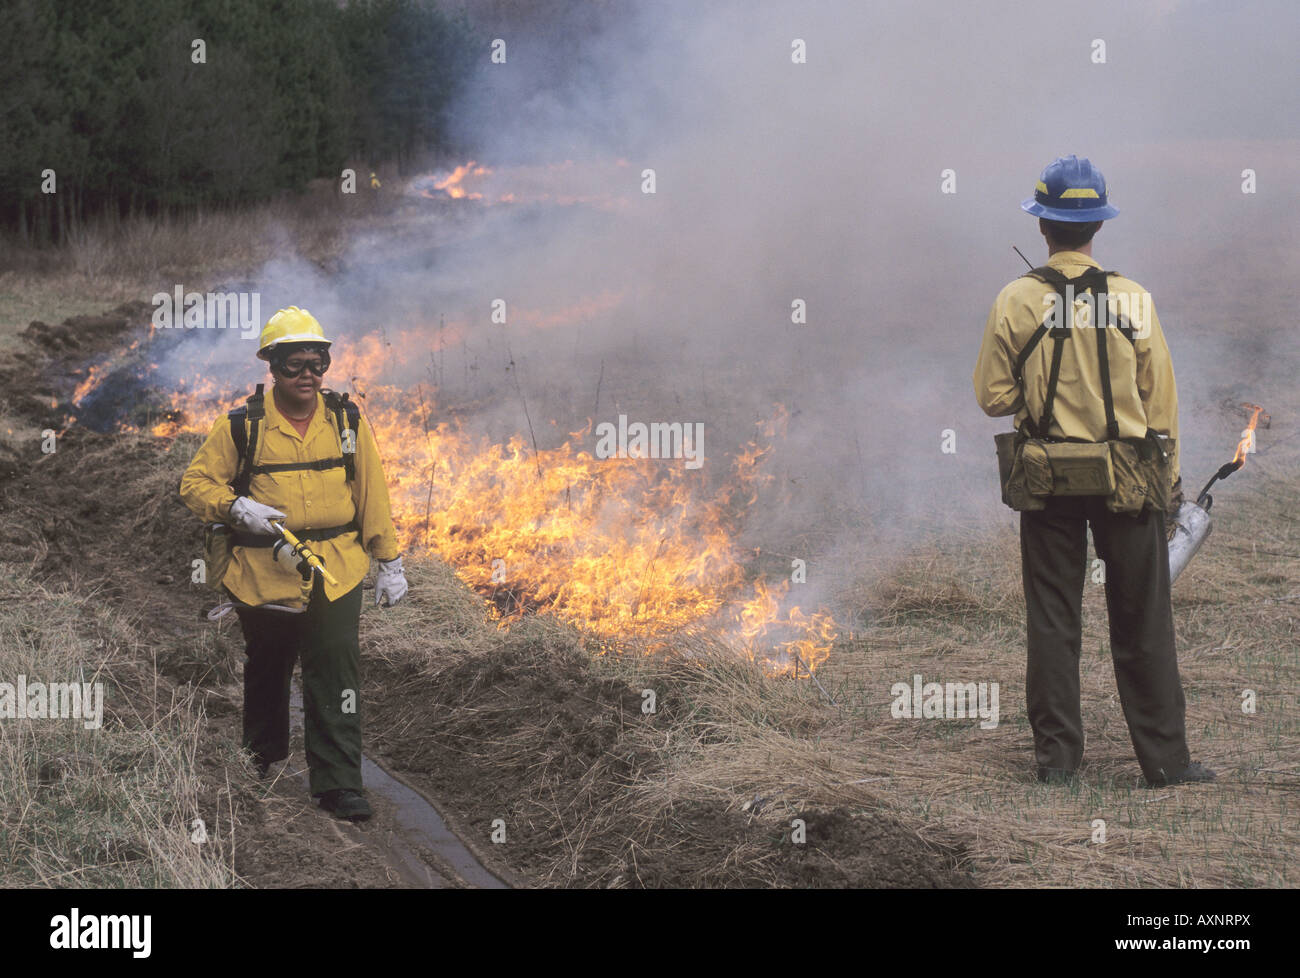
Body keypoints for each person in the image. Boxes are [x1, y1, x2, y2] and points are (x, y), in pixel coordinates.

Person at [973, 155, 1215, 788]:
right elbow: (1160, 404)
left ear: (1043, 228)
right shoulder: (1133, 299)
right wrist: (1171, 482)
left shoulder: (1015, 300)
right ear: (1097, 228)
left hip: (1048, 479)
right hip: (1131, 480)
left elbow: (993, 398)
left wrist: (1041, 393)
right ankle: (1166, 764)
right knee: (1142, 620)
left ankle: (1057, 764)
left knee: (1054, 621)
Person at [180, 306, 409, 821]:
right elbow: (195, 485)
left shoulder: (347, 421)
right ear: (272, 367)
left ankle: (339, 783)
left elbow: (372, 493)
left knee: (336, 671)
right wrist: (236, 506)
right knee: (269, 666)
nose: (308, 374)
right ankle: (258, 762)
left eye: (318, 362)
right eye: (294, 364)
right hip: (264, 573)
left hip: (338, 568)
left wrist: (389, 561)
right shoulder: (241, 427)